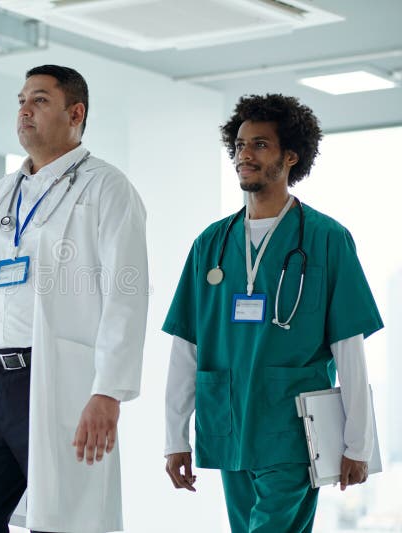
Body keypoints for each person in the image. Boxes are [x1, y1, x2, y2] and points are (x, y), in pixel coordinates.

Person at [163, 94, 383, 532]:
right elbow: (186, 346)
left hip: (293, 429)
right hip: (227, 424)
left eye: (260, 145)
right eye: (241, 145)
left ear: (291, 156)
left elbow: (348, 347)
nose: (245, 154)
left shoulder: (326, 238)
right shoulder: (211, 243)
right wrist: (175, 438)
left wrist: (359, 442)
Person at [0, 65, 149, 533]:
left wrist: (108, 391)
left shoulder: (106, 187)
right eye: (20, 100)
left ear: (75, 113)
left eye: (38, 100)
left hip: (57, 380)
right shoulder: (1, 193)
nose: (24, 110)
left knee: (62, 522)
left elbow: (127, 293)